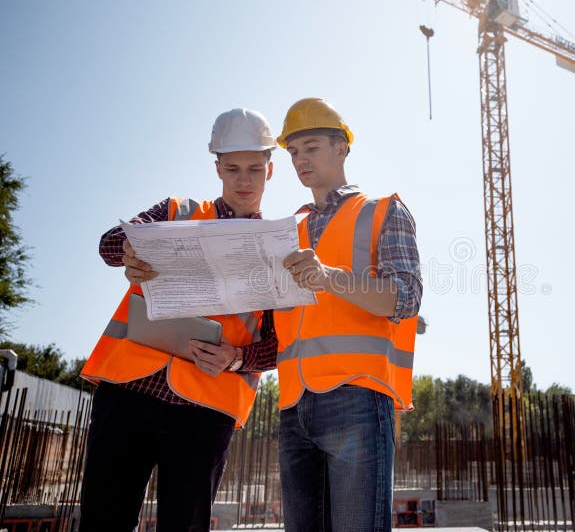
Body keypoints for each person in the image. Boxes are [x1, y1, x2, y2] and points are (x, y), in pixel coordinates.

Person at [79, 108, 279, 531]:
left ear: (270, 171)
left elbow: (279, 345)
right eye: (233, 169)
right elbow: (110, 244)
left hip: (206, 408)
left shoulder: (276, 248)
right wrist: (130, 255)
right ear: (217, 168)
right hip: (130, 391)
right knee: (102, 519)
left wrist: (237, 358)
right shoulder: (177, 210)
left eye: (255, 170)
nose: (244, 181)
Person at [274, 98, 422, 531]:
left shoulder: (382, 211)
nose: (300, 159)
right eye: (293, 152)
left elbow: (406, 297)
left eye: (311, 147)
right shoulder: (285, 231)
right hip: (292, 405)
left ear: (342, 148)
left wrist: (330, 278)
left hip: (356, 398)